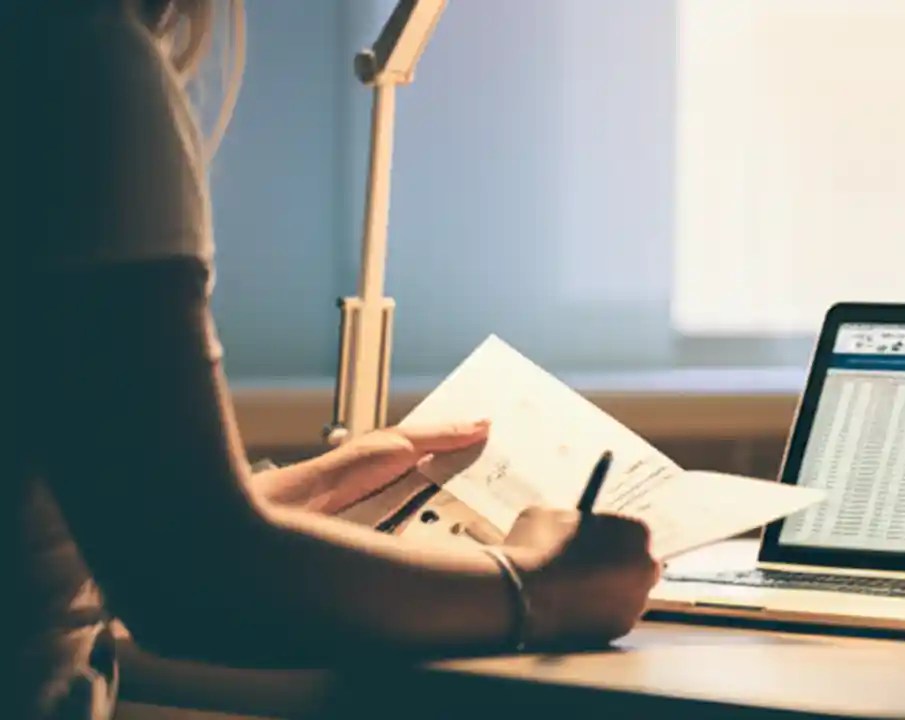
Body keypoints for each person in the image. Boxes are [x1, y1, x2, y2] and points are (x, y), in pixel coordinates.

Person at [7, 1, 660, 718]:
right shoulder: (78, 61)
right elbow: (186, 577)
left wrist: (300, 494)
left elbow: (112, 519)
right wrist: (539, 589)